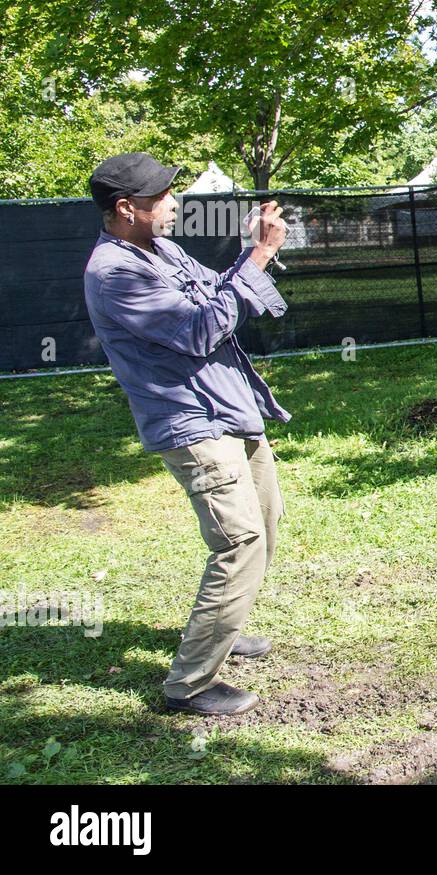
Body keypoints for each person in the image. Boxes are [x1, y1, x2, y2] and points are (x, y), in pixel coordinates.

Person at [83, 152, 291, 715]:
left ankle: (224, 630)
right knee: (240, 539)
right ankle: (190, 685)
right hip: (190, 421)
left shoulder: (161, 249)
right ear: (126, 209)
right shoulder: (115, 273)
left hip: (229, 407)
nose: (175, 206)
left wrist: (254, 252)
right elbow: (202, 328)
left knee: (265, 524)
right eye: (162, 199)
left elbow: (220, 290)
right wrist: (262, 255)